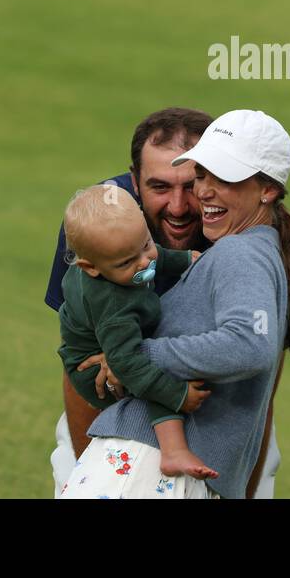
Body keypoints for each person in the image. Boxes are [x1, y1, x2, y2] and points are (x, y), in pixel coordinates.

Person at [59, 109, 290, 499]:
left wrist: (137, 355)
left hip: (147, 468)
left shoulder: (238, 253)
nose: (203, 191)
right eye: (202, 174)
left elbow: (251, 346)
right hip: (157, 469)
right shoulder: (253, 253)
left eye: (225, 177)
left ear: (268, 190)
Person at [57, 187, 217, 484]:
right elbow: (128, 364)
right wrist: (176, 394)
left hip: (109, 342)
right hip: (93, 367)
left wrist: (186, 259)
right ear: (90, 268)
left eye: (145, 245)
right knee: (145, 376)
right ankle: (173, 451)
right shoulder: (113, 304)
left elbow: (155, 257)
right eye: (126, 263)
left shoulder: (127, 254)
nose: (144, 263)